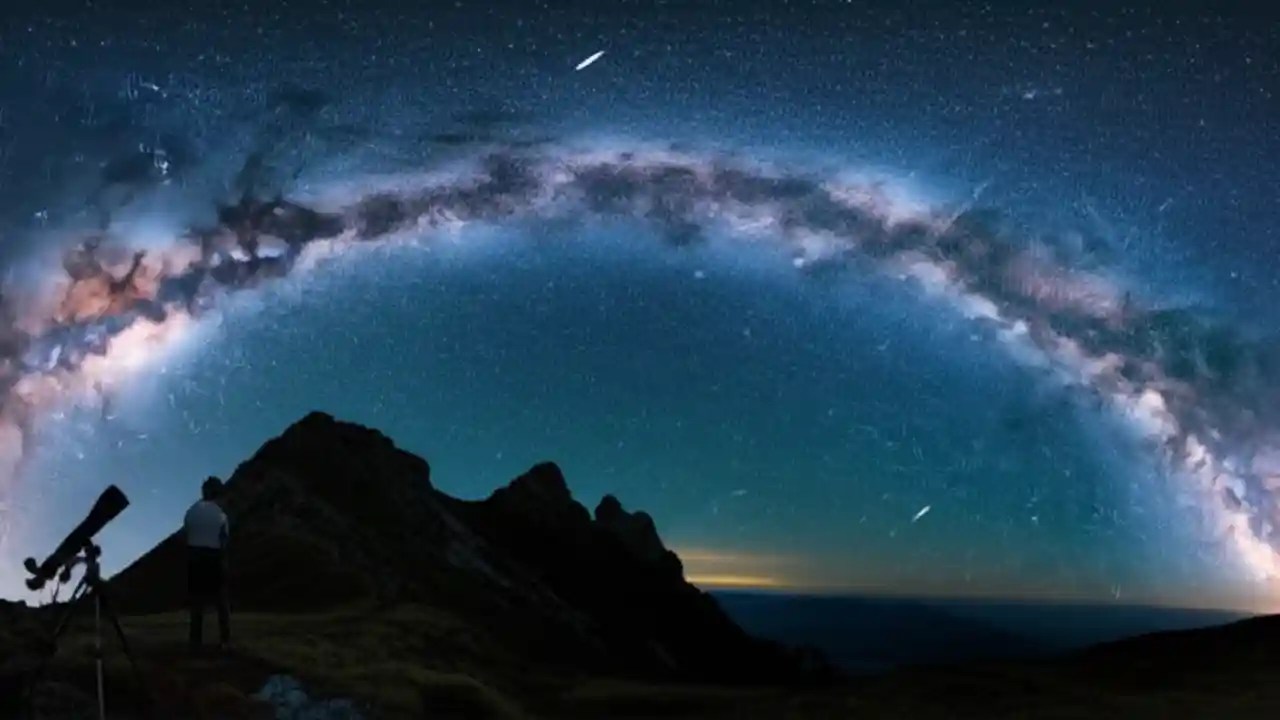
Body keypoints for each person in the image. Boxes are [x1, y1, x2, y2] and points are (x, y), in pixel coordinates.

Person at [184, 476, 231, 652]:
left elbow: (186, 535)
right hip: (214, 556)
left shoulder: (191, 511)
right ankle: (224, 641)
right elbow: (224, 540)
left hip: (195, 557)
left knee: (197, 603)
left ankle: (195, 641)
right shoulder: (221, 514)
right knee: (221, 602)